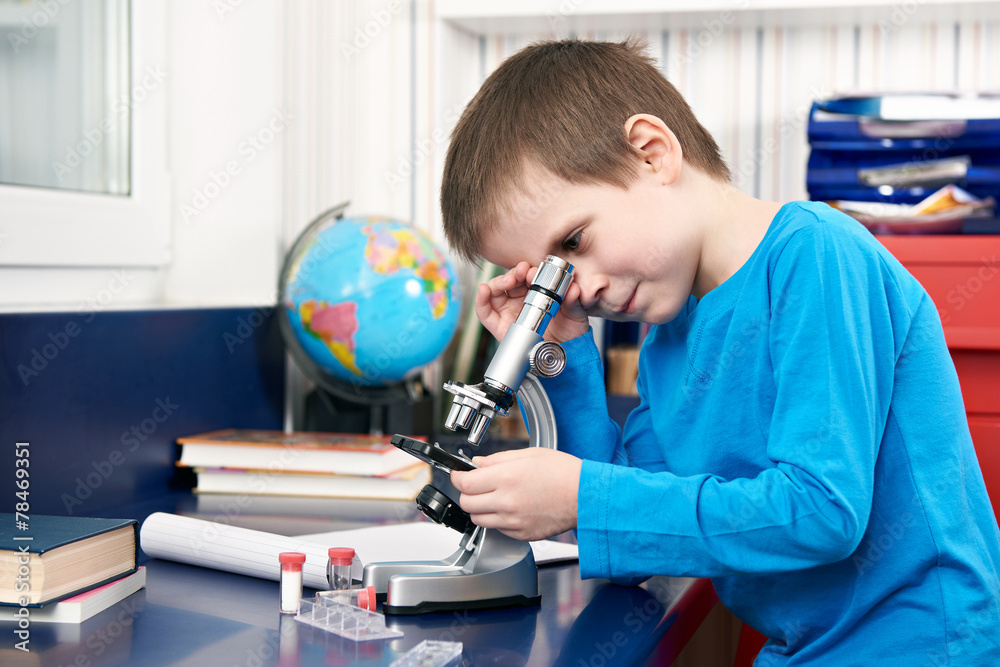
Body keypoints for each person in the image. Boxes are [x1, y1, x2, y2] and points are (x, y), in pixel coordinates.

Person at [440, 38, 1000, 664]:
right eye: (551, 276)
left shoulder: (815, 257)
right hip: (809, 649)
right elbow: (638, 544)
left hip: (922, 648)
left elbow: (821, 513)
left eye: (573, 241)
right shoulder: (666, 338)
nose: (581, 286)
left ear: (652, 154)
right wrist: (564, 355)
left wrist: (581, 498)